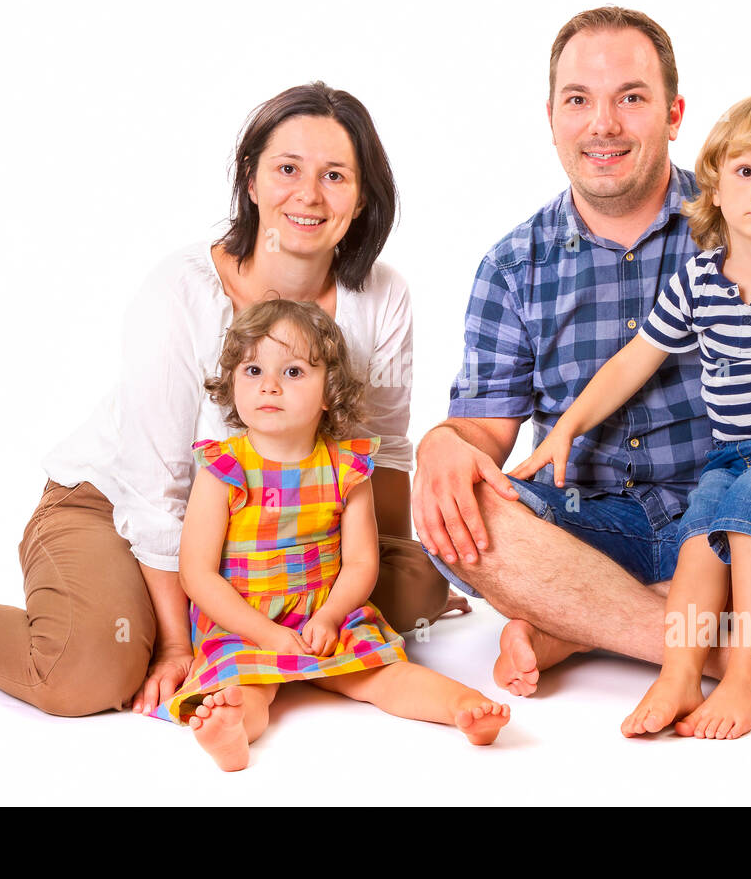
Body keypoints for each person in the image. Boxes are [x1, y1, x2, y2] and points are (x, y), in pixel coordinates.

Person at [412, 7, 751, 722]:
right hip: (590, 531)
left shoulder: (747, 214)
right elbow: (480, 437)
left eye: (631, 97)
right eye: (579, 100)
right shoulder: (512, 266)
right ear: (552, 117)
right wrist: (440, 445)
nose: (604, 123)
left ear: (673, 113)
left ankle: (587, 628)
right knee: (460, 515)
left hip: (747, 518)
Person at [0, 82, 458, 717]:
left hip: (282, 527)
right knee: (89, 672)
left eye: (335, 175)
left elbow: (384, 446)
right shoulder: (181, 291)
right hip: (119, 505)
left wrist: (389, 569)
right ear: (251, 180)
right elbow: (157, 483)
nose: (309, 195)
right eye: (287, 169)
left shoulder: (382, 296)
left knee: (418, 582)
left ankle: (205, 619)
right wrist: (178, 646)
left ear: (363, 194)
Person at [512, 92, 751, 738]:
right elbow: (632, 362)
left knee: (750, 510)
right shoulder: (699, 280)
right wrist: (569, 428)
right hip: (730, 451)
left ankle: (750, 677)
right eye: (747, 172)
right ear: (716, 187)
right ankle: (680, 671)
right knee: (700, 539)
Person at [155, 300, 509, 770]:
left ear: (328, 392)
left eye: (294, 371)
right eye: (254, 369)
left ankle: (461, 706)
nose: (270, 385)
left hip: (325, 613)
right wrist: (268, 636)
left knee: (383, 674)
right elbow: (197, 575)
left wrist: (330, 616)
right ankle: (232, 731)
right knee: (247, 685)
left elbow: (362, 562)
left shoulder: (347, 468)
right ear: (233, 383)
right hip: (243, 620)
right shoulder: (224, 467)